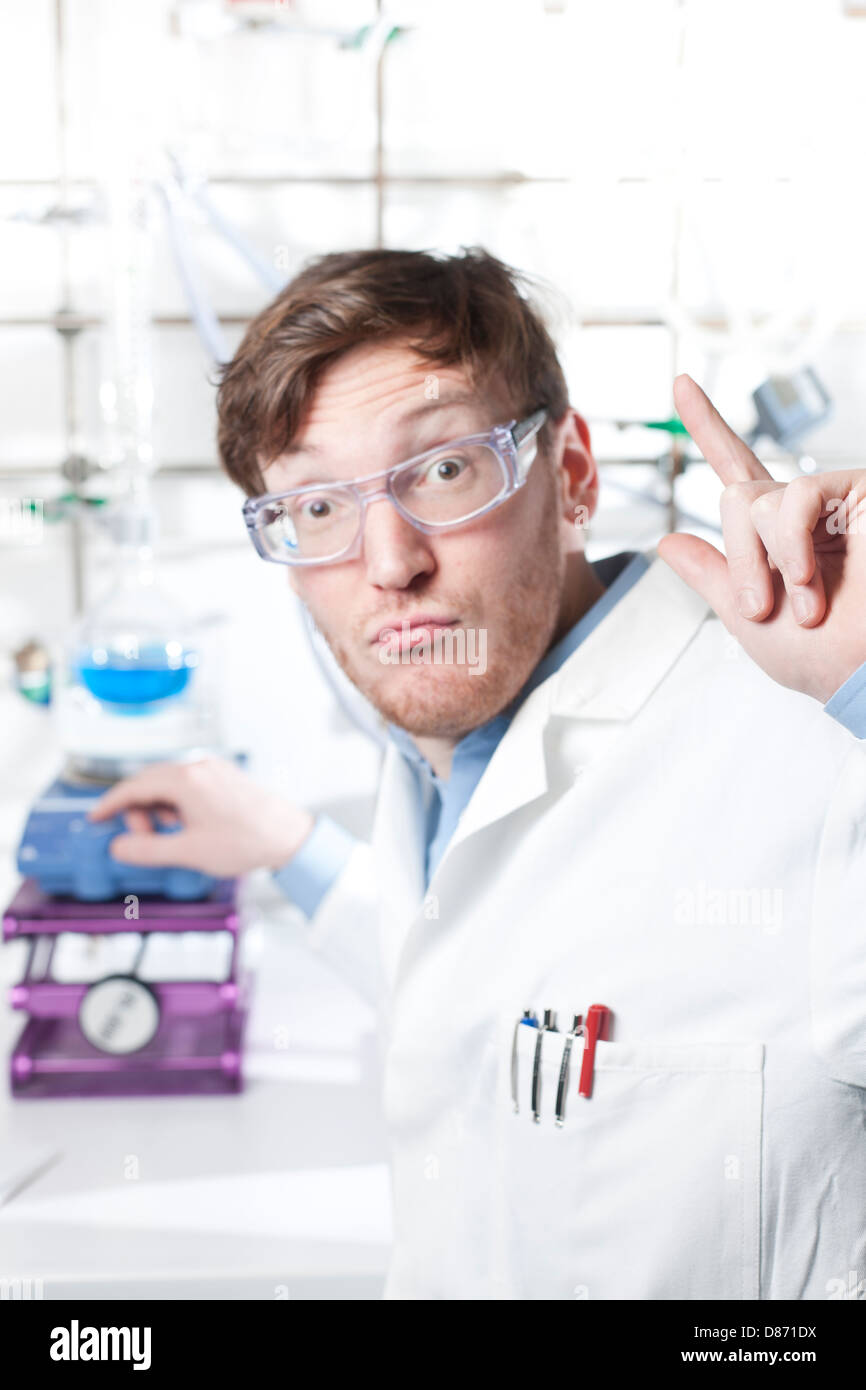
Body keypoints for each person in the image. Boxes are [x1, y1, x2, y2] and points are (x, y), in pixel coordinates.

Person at [87, 248, 866, 1300]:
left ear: (573, 476)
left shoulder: (810, 746)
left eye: (443, 468)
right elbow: (482, 993)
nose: (388, 562)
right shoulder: (445, 751)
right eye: (315, 507)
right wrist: (290, 847)